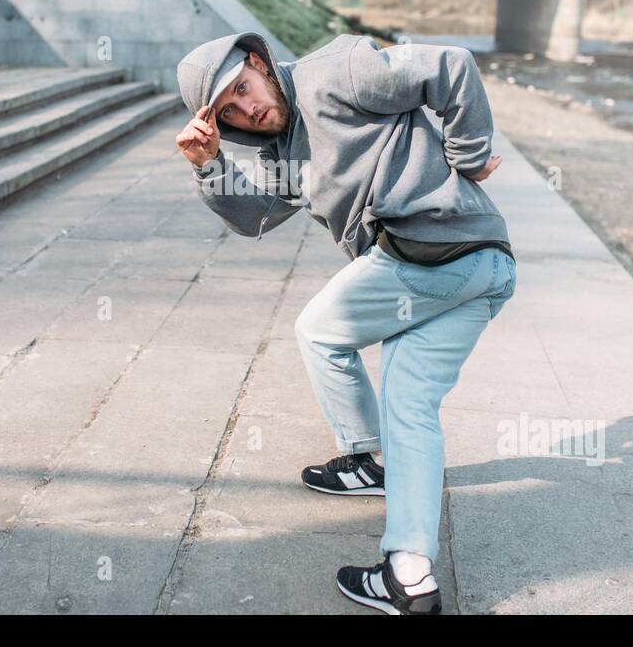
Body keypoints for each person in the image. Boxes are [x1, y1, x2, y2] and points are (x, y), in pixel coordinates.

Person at [174, 31, 515, 615]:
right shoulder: (280, 148)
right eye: (229, 111)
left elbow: (451, 65)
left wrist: (470, 155)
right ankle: (409, 574)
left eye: (243, 89)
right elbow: (257, 216)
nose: (247, 109)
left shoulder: (335, 72)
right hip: (484, 268)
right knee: (409, 406)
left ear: (258, 63)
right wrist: (209, 168)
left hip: (426, 252)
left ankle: (362, 459)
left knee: (318, 330)